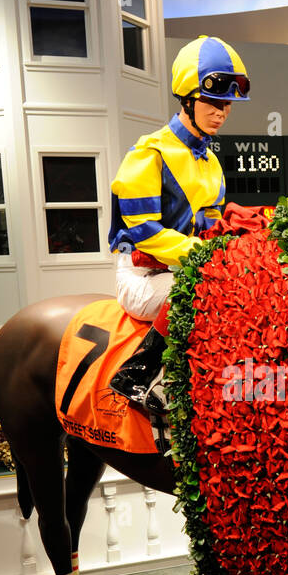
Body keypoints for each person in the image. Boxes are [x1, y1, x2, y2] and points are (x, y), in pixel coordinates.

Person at [107, 34, 250, 419]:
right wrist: (201, 253)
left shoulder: (212, 163)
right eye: (214, 102)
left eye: (227, 105)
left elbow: (211, 227)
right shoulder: (148, 152)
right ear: (188, 97)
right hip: (142, 274)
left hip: (183, 268)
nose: (222, 112)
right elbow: (142, 231)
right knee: (202, 289)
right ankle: (138, 376)